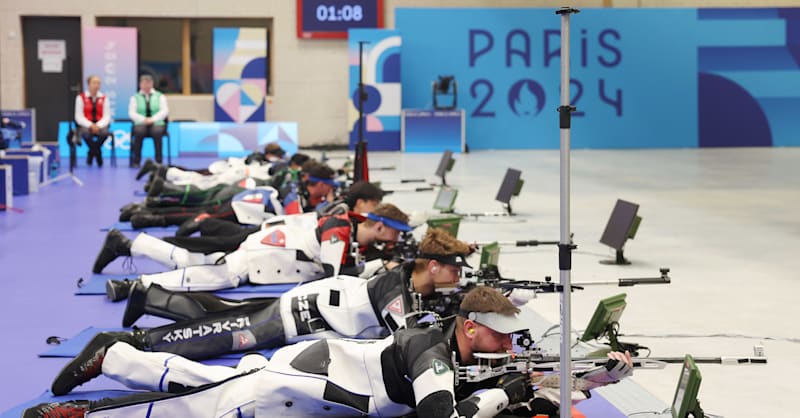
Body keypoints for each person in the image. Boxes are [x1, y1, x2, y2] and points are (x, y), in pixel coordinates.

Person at [28, 287, 634, 418]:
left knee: (206, 381)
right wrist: (507, 394)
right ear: (470, 327)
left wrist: (580, 382)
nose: (509, 343)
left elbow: (483, 386)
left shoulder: (452, 348)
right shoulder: (434, 355)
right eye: (501, 332)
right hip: (297, 390)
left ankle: (114, 358)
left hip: (314, 374)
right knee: (190, 410)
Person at [50, 228, 473, 401]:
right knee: (208, 336)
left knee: (215, 316)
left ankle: (147, 296)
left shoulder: (399, 280)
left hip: (296, 320)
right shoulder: (394, 289)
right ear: (432, 266)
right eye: (454, 267)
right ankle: (122, 345)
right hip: (289, 320)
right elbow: (405, 338)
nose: (457, 276)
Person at [102, 203, 411, 301]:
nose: (396, 238)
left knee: (196, 261)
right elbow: (332, 277)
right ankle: (134, 286)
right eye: (395, 231)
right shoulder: (339, 231)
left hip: (270, 248)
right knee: (212, 277)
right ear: (380, 227)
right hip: (265, 255)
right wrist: (377, 268)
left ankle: (130, 245)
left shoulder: (347, 223)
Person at [128, 74, 169, 168]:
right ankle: (136, 161)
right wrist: (143, 119)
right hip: (141, 122)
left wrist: (153, 119)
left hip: (157, 122)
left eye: (149, 83)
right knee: (139, 132)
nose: (147, 85)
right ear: (140, 85)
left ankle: (159, 161)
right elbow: (132, 113)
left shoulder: (160, 96)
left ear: (152, 84)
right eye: (144, 83)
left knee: (157, 132)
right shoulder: (135, 97)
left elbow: (165, 111)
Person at [73, 75, 112, 167]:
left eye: (98, 83)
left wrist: (98, 125)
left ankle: (92, 152)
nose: (96, 85)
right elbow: (78, 116)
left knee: (105, 133)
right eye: (94, 83)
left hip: (100, 125)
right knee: (85, 133)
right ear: (88, 84)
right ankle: (97, 152)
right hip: (86, 125)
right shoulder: (80, 98)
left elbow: (107, 116)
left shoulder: (104, 98)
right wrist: (90, 125)